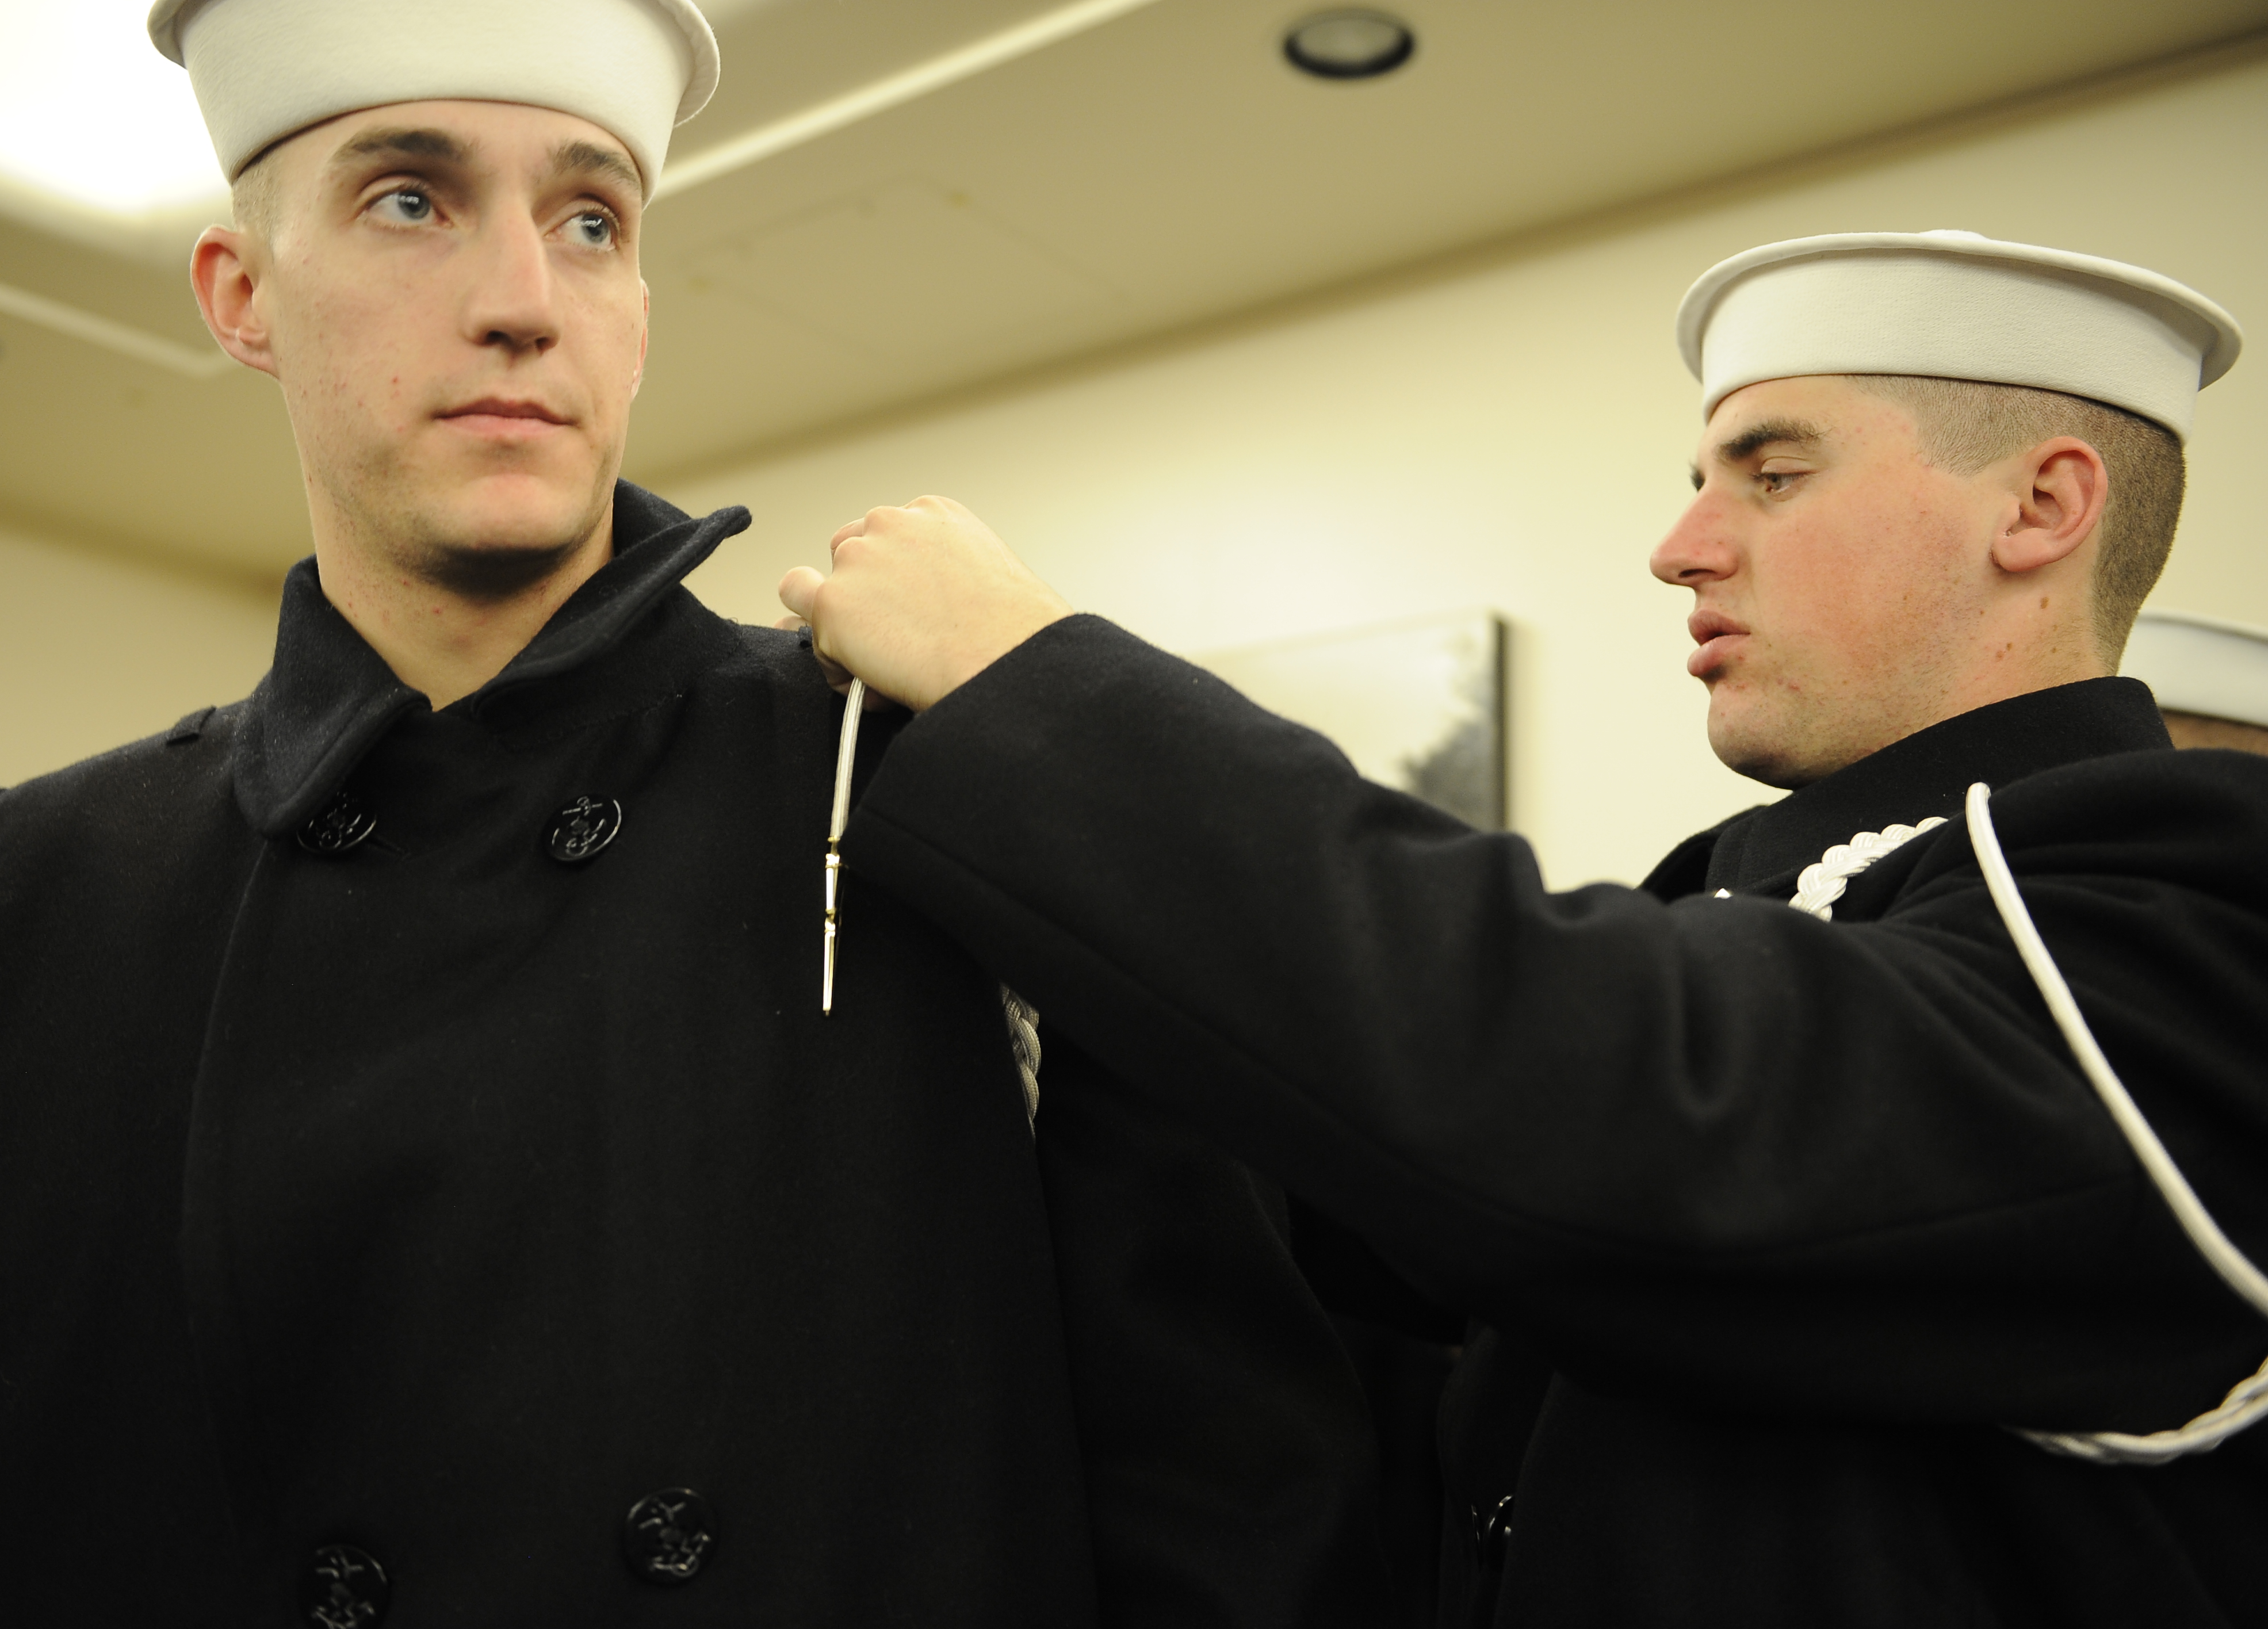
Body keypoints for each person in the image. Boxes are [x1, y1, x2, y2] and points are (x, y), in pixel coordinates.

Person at [0, 2, 1392, 1623]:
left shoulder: (954, 790)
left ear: (639, 307)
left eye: (590, 223)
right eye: (409, 200)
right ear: (242, 296)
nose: (522, 302)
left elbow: (1238, 1522)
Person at [779, 231, 2268, 1626]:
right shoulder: (1753, 893)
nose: (1682, 545)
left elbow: (1647, 1111)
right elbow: (1366, 1199)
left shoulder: (2188, 896)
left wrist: (1037, 697)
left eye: (1772, 473)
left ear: (2043, 506)